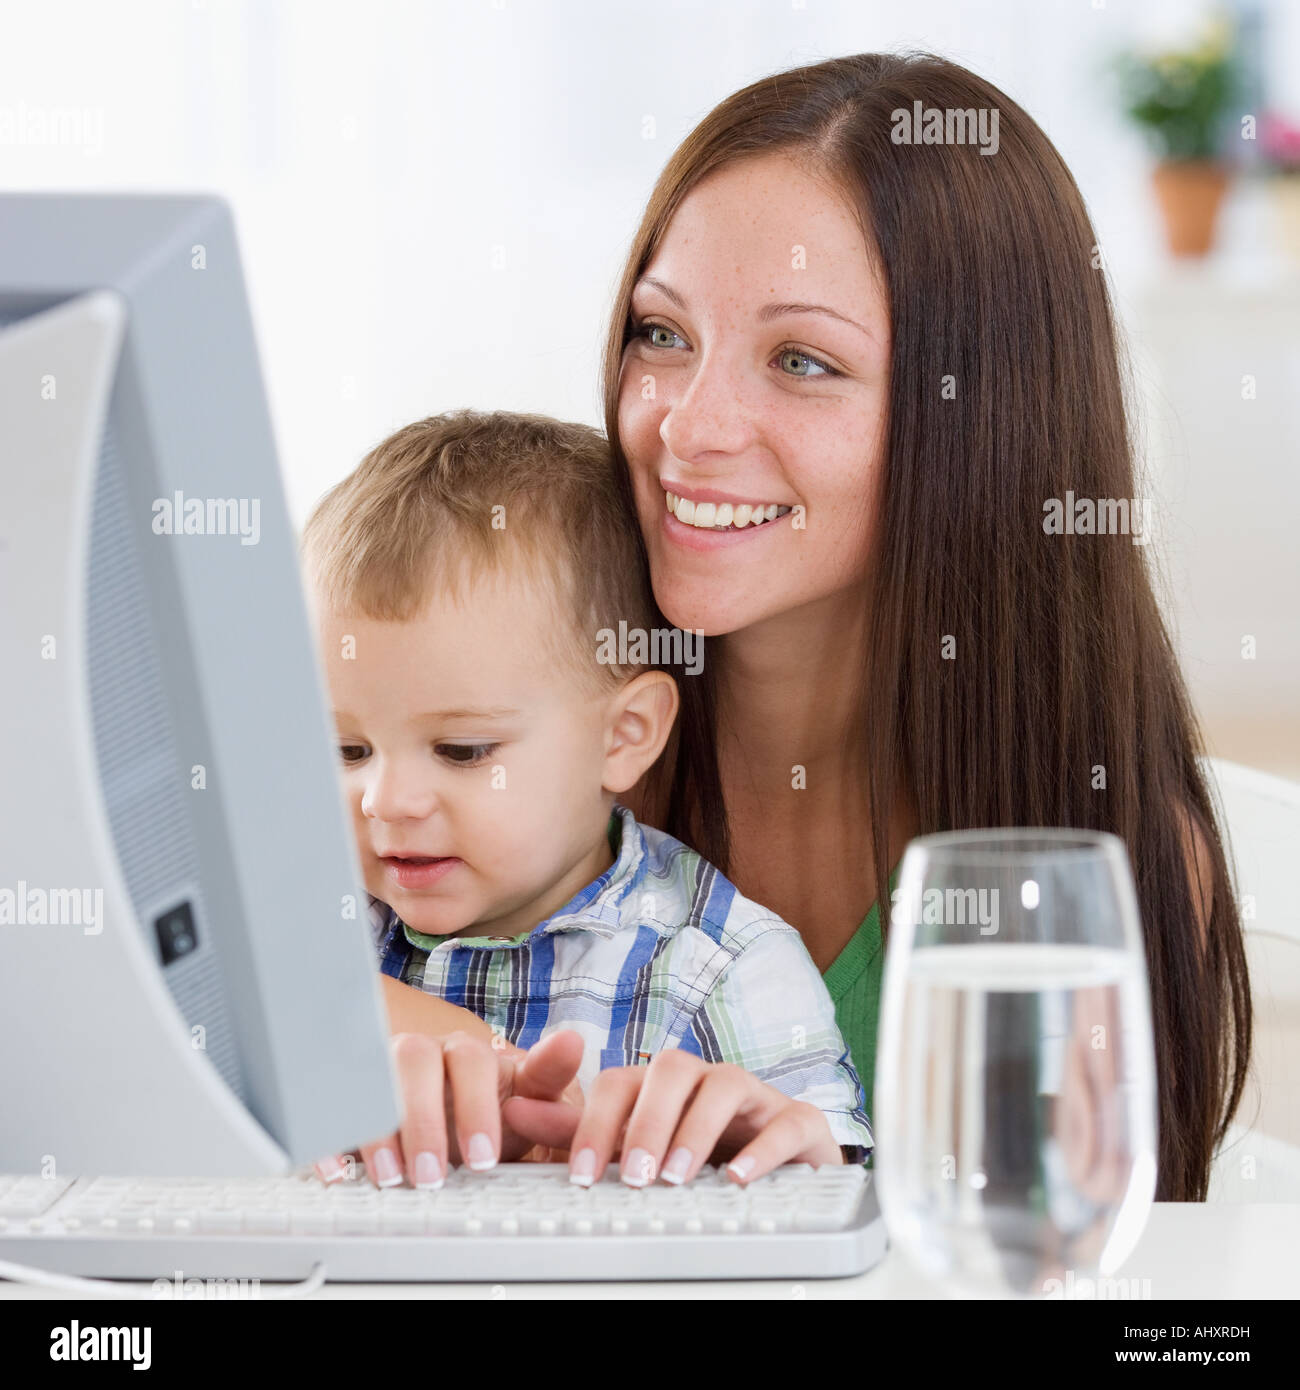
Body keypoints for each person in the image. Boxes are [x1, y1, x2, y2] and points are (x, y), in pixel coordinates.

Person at [300, 408, 873, 1191]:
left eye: (463, 751)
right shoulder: (306, 925)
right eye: (347, 750)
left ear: (623, 736)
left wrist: (783, 1145)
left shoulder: (715, 966)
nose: (387, 801)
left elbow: (838, 1194)